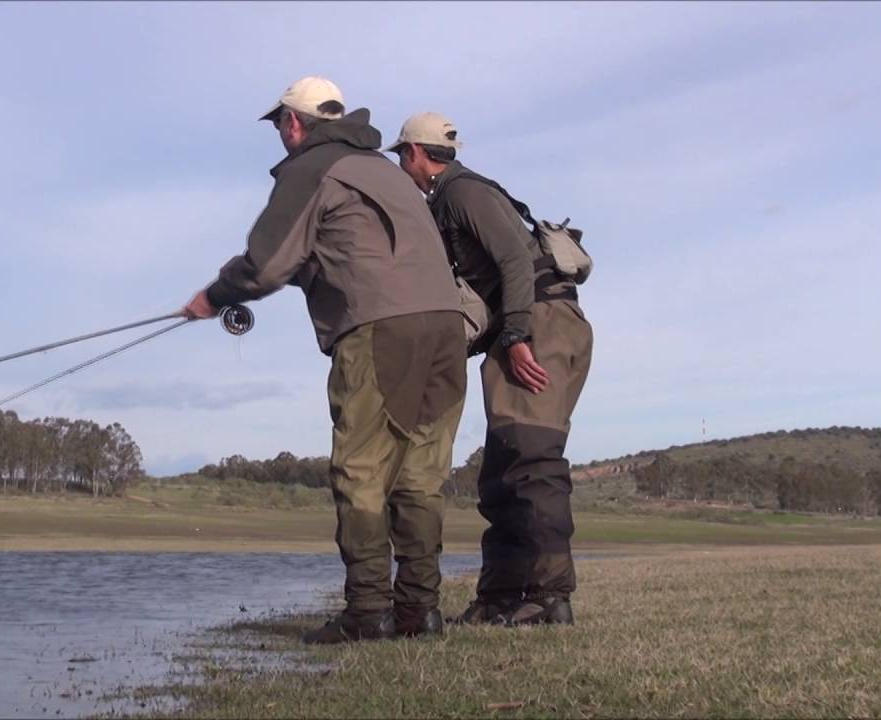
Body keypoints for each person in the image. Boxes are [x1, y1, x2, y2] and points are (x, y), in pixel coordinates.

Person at [181, 78, 467, 643]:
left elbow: (266, 263)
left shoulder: (312, 167)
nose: (280, 136)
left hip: (382, 328)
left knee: (361, 471)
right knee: (419, 476)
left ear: (293, 123)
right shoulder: (383, 169)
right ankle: (419, 611)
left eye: (279, 125)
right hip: (445, 326)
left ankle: (368, 612)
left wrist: (213, 297)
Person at [384, 112, 594, 626]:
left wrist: (518, 335)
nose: (400, 166)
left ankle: (547, 598)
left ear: (415, 153)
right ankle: (502, 596)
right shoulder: (455, 195)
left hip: (539, 323)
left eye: (399, 156)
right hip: (531, 323)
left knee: (532, 462)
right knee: (502, 470)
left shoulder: (461, 193)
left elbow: (517, 265)